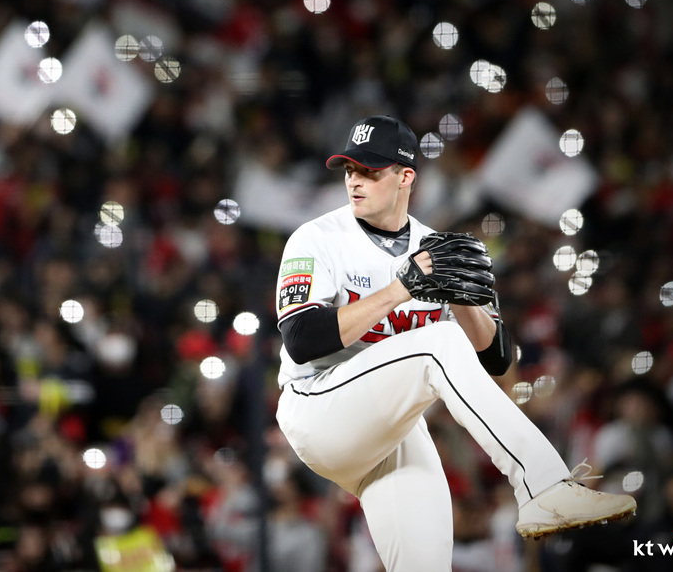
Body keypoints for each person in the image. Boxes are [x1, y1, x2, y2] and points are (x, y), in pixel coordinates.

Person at [273, 116, 637, 570]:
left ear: (405, 176)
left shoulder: (439, 247)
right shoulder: (318, 237)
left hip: (390, 431)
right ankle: (545, 487)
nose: (354, 180)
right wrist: (398, 290)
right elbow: (301, 338)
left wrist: (463, 301)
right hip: (319, 407)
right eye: (349, 169)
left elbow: (498, 360)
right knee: (437, 342)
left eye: (370, 170)